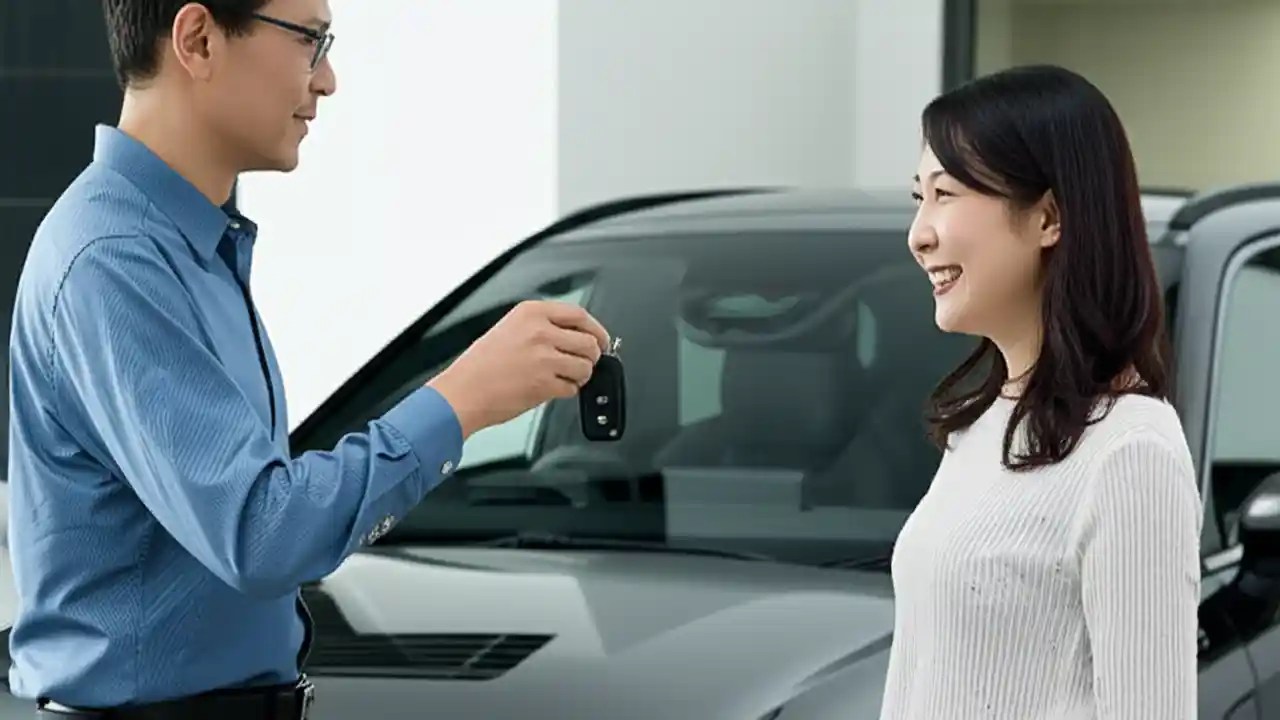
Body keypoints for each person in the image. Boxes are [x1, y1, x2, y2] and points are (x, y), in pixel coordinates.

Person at [6, 0, 611, 716]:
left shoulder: (184, 246)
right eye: (310, 41)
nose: (328, 79)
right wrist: (466, 397)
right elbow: (262, 534)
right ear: (198, 40)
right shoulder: (114, 260)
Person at [879, 64, 1201, 719]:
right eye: (920, 198)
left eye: (947, 194)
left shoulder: (1129, 453)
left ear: (1049, 216)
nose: (919, 234)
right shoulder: (985, 426)